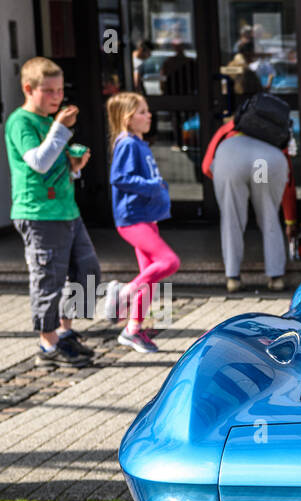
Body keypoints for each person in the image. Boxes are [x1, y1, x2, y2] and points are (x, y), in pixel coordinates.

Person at [5, 57, 102, 369]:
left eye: (60, 90)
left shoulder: (49, 121)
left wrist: (74, 168)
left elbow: (54, 169)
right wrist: (61, 129)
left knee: (86, 271)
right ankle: (48, 345)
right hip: (38, 213)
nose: (57, 97)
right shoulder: (21, 122)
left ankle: (65, 331)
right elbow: (38, 162)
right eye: (48, 91)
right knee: (49, 278)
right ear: (28, 89)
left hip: (66, 210)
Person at [107, 91, 177, 353]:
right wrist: (153, 186)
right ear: (127, 118)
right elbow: (119, 178)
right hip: (133, 219)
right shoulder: (127, 144)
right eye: (142, 112)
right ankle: (124, 292)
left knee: (151, 278)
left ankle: (132, 330)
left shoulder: (138, 143)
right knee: (169, 262)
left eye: (148, 111)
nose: (149, 116)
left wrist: (158, 187)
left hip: (146, 217)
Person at [202, 103, 297, 292]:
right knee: (269, 215)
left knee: (232, 218)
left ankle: (233, 277)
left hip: (231, 157)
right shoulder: (275, 131)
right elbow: (288, 182)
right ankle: (276, 277)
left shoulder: (229, 127)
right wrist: (290, 220)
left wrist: (229, 185)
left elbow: (206, 167)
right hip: (266, 161)